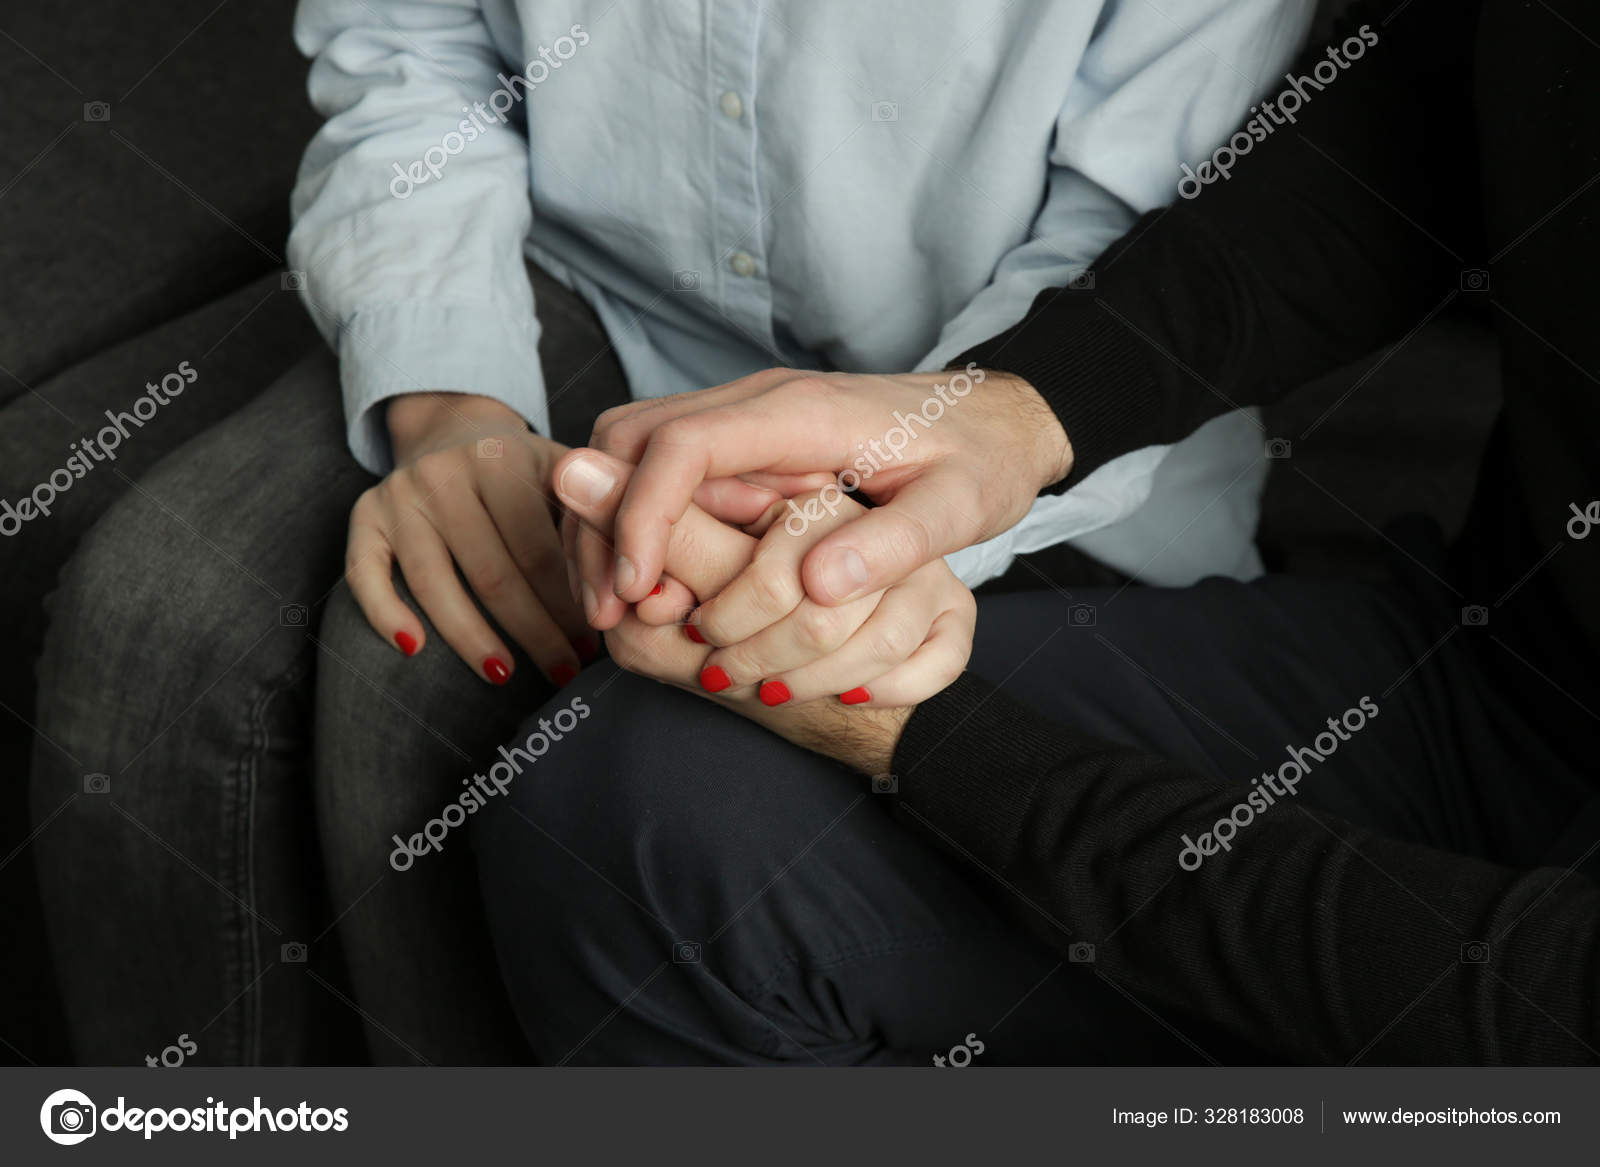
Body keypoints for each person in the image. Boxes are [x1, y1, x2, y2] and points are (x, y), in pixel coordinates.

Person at [28, 0, 1315, 1063]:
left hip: (1008, 414)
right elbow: (408, 51)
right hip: (588, 284)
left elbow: (1155, 256)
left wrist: (852, 524)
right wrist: (450, 408)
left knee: (410, 670)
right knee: (151, 610)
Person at [472, 0, 1600, 1063]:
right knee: (646, 806)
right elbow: (1425, 120)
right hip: (1510, 686)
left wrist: (926, 743)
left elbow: (1540, 1001)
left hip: (1533, 982)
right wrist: (1015, 411)